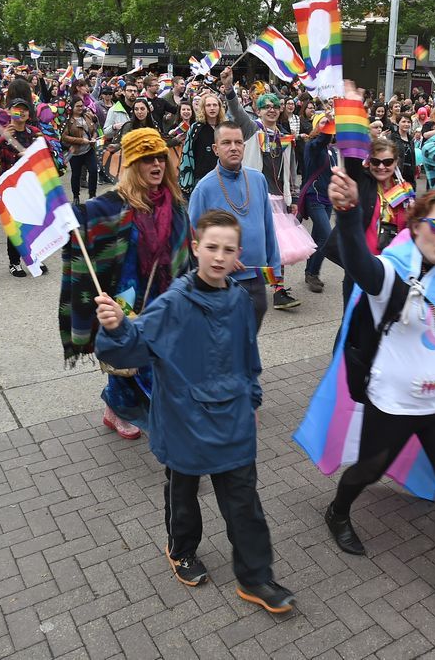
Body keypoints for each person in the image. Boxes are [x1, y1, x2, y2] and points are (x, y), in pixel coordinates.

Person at [93, 209, 295, 615]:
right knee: (183, 493)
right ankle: (181, 549)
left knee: (243, 503)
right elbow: (132, 349)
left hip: (232, 421)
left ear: (238, 254)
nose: (219, 256)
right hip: (185, 420)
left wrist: (251, 395)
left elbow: (248, 357)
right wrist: (116, 328)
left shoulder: (239, 299)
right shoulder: (172, 305)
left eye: (228, 249)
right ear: (196, 248)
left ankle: (255, 578)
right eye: (212, 247)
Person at [322, 170, 435, 628]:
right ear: (416, 226)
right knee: (371, 469)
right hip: (392, 401)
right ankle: (337, 511)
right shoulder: (393, 272)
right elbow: (359, 261)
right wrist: (349, 214)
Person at [59, 128, 192, 440]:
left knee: (161, 357)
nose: (156, 164)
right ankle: (118, 408)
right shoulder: (113, 203)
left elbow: (185, 250)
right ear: (132, 165)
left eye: (159, 157)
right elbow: (80, 220)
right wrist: (65, 215)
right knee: (127, 358)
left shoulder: (173, 202)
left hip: (165, 294)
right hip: (127, 297)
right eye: (147, 159)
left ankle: (129, 408)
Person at [188, 121, 281, 331]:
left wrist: (275, 271)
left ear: (244, 147)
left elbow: (268, 227)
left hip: (257, 279)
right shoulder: (204, 188)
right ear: (216, 149)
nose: (233, 147)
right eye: (227, 142)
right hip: (222, 283)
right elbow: (192, 240)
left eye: (238, 142)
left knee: (248, 344)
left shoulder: (258, 179)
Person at [220, 67, 300, 310]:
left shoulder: (286, 139)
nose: (271, 109)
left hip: (277, 198)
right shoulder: (251, 130)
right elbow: (235, 111)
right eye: (266, 106)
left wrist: (293, 197)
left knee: (279, 246)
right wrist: (229, 88)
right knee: (248, 242)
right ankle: (234, 284)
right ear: (258, 110)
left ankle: (277, 290)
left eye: (275, 105)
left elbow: (291, 170)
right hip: (253, 195)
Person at [325, 136, 412, 303]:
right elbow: (351, 160)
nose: (381, 167)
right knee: (354, 323)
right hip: (362, 267)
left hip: (394, 269)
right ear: (368, 161)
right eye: (375, 161)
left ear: (396, 162)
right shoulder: (361, 181)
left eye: (387, 162)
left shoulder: (404, 188)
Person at [0, 98, 45, 276]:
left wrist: (30, 154)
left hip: (33, 186)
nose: (20, 113)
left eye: (24, 110)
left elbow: (46, 154)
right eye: (16, 110)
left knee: (35, 223)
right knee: (15, 225)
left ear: (29, 114)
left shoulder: (35, 132)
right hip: (11, 189)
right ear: (9, 112)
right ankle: (14, 262)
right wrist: (2, 138)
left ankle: (35, 256)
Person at [300, 111, 336, 293]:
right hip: (314, 198)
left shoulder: (332, 150)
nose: (325, 125)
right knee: (327, 237)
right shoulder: (312, 145)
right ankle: (313, 272)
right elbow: (322, 139)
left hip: (328, 198)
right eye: (321, 123)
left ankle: (310, 272)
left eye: (327, 123)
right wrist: (330, 122)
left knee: (318, 237)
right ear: (315, 126)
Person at [179, 93, 225, 196]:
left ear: (219, 107)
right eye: (208, 105)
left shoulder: (225, 127)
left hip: (223, 177)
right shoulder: (196, 128)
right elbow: (187, 153)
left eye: (215, 105)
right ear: (203, 108)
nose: (212, 108)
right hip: (201, 178)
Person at [62, 97, 100, 204]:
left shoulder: (88, 116)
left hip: (89, 150)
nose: (80, 108)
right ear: (72, 107)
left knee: (93, 171)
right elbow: (64, 137)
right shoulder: (68, 121)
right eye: (77, 106)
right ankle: (75, 197)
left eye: (81, 105)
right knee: (76, 175)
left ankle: (92, 195)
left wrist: (93, 137)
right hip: (75, 153)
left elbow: (94, 129)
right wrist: (80, 140)